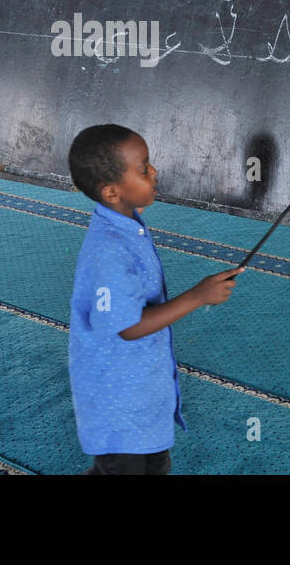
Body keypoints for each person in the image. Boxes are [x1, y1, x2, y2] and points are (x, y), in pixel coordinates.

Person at [67, 124, 240, 474]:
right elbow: (129, 327)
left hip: (140, 396)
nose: (155, 172)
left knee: (154, 465)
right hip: (118, 404)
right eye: (144, 169)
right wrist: (197, 296)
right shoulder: (110, 251)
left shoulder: (126, 222)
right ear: (113, 192)